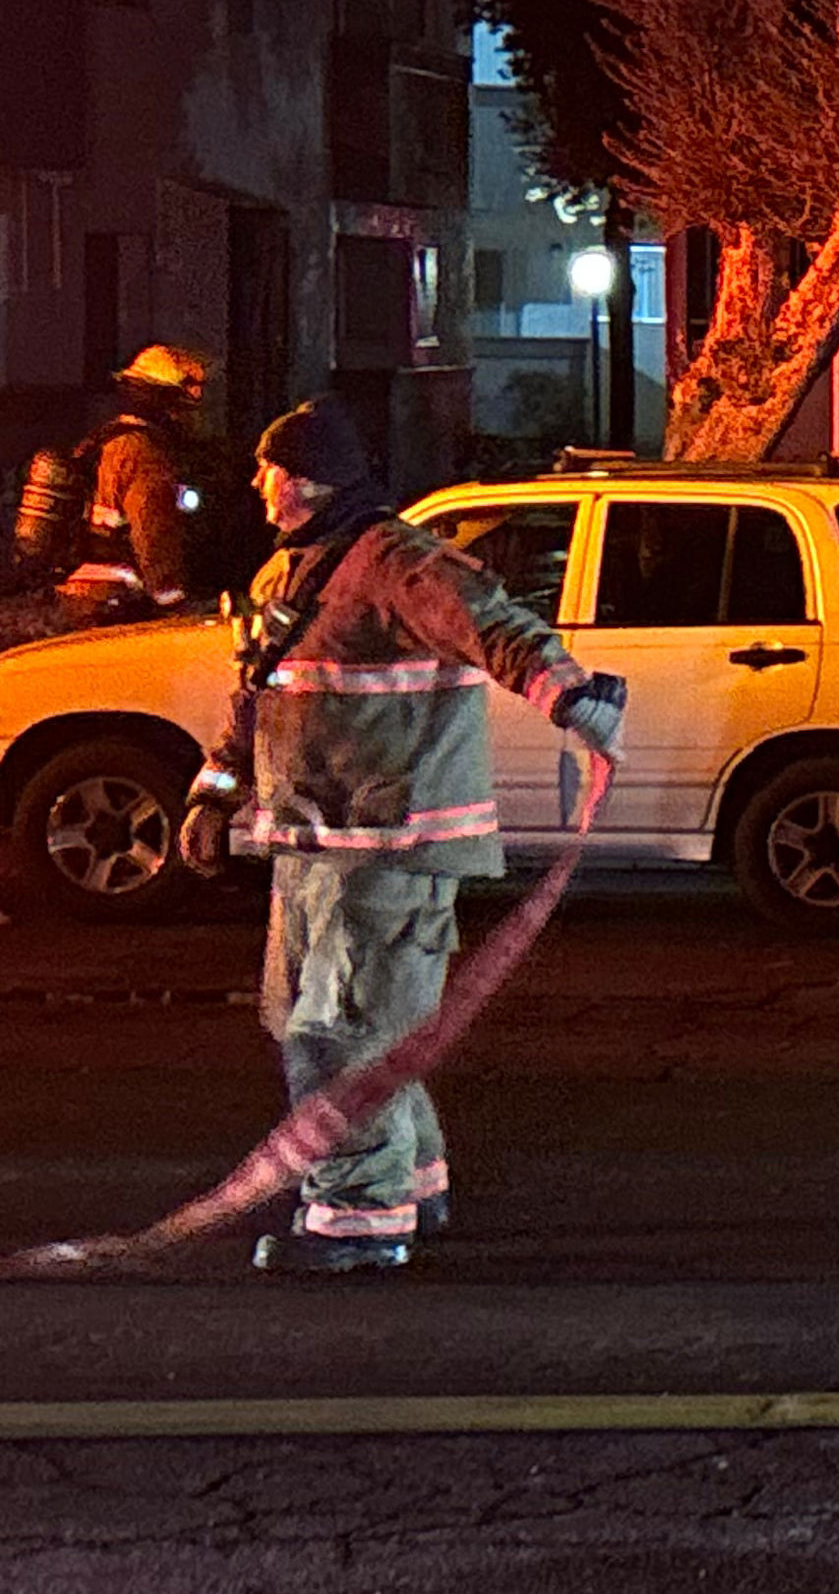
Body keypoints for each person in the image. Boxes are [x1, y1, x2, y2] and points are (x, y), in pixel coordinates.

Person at [173, 400, 624, 1276]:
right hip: (315, 851)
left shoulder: (399, 564)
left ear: (307, 479)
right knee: (329, 1024)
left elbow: (494, 624)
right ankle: (409, 1184)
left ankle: (356, 1220)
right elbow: (259, 701)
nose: (256, 484)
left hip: (390, 848)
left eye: (268, 468)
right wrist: (212, 794)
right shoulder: (291, 579)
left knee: (338, 1037)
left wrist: (571, 697)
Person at [49, 343, 211, 624]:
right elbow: (154, 535)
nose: (191, 417)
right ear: (165, 402)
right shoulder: (145, 453)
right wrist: (175, 604)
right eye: (185, 406)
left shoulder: (105, 440)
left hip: (83, 595)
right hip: (118, 604)